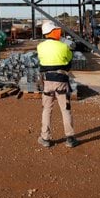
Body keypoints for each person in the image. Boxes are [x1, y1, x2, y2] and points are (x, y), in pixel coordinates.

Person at [37, 20, 78, 148]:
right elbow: (69, 60)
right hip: (61, 80)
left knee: (47, 109)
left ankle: (45, 138)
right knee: (65, 109)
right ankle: (70, 138)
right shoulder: (63, 46)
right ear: (52, 32)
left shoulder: (40, 46)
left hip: (47, 80)